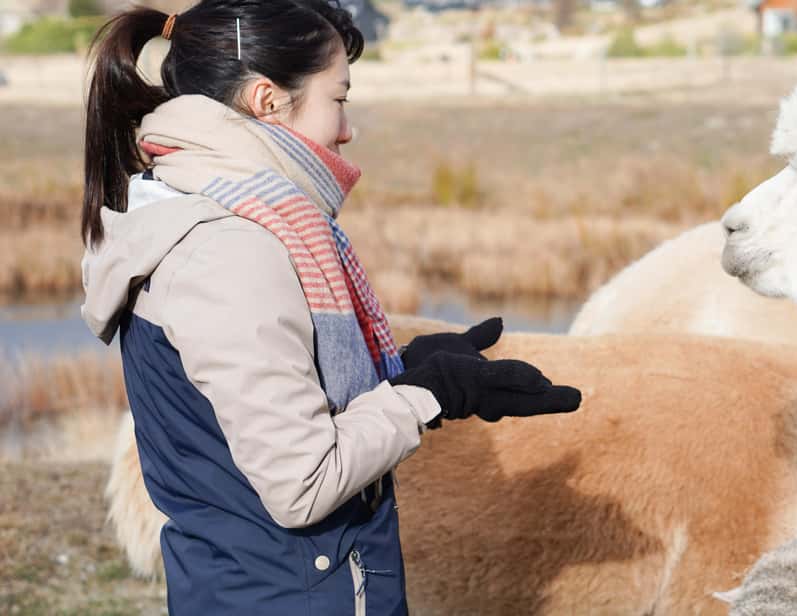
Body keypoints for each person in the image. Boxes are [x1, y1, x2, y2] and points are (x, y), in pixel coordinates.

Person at [78, 2, 582, 613]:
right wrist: (428, 394)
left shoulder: (191, 211)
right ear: (267, 100)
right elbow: (302, 481)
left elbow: (261, 411)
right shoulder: (231, 250)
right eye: (338, 98)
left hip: (250, 587)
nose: (348, 129)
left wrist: (404, 368)